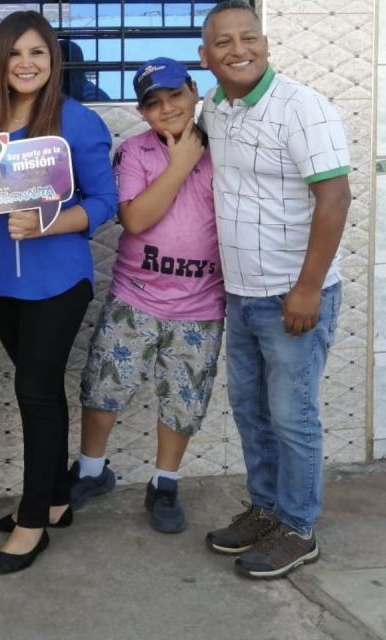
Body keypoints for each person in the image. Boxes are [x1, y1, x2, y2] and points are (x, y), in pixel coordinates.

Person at [198, 0, 351, 579]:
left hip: (294, 296)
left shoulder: (303, 108)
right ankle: (264, 510)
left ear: (265, 42)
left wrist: (307, 288)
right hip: (241, 295)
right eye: (225, 42)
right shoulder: (217, 107)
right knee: (252, 412)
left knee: (294, 417)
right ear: (206, 55)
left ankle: (298, 527)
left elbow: (334, 198)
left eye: (249, 38)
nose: (240, 50)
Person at [0, 11, 117, 574]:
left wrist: (48, 223)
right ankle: (55, 500)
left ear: (53, 63)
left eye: (39, 53)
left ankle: (32, 521)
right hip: (1, 280)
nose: (26, 64)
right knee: (42, 387)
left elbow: (106, 202)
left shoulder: (76, 122)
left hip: (57, 280)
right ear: (0, 62)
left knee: (32, 390)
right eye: (15, 53)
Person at [69, 58, 225, 535]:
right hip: (135, 295)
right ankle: (92, 471)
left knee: (183, 399)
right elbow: (135, 219)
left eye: (176, 95)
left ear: (195, 92)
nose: (167, 108)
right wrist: (180, 164)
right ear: (141, 112)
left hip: (201, 303)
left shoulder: (225, 149)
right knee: (102, 387)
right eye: (153, 103)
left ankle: (165, 483)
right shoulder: (135, 152)